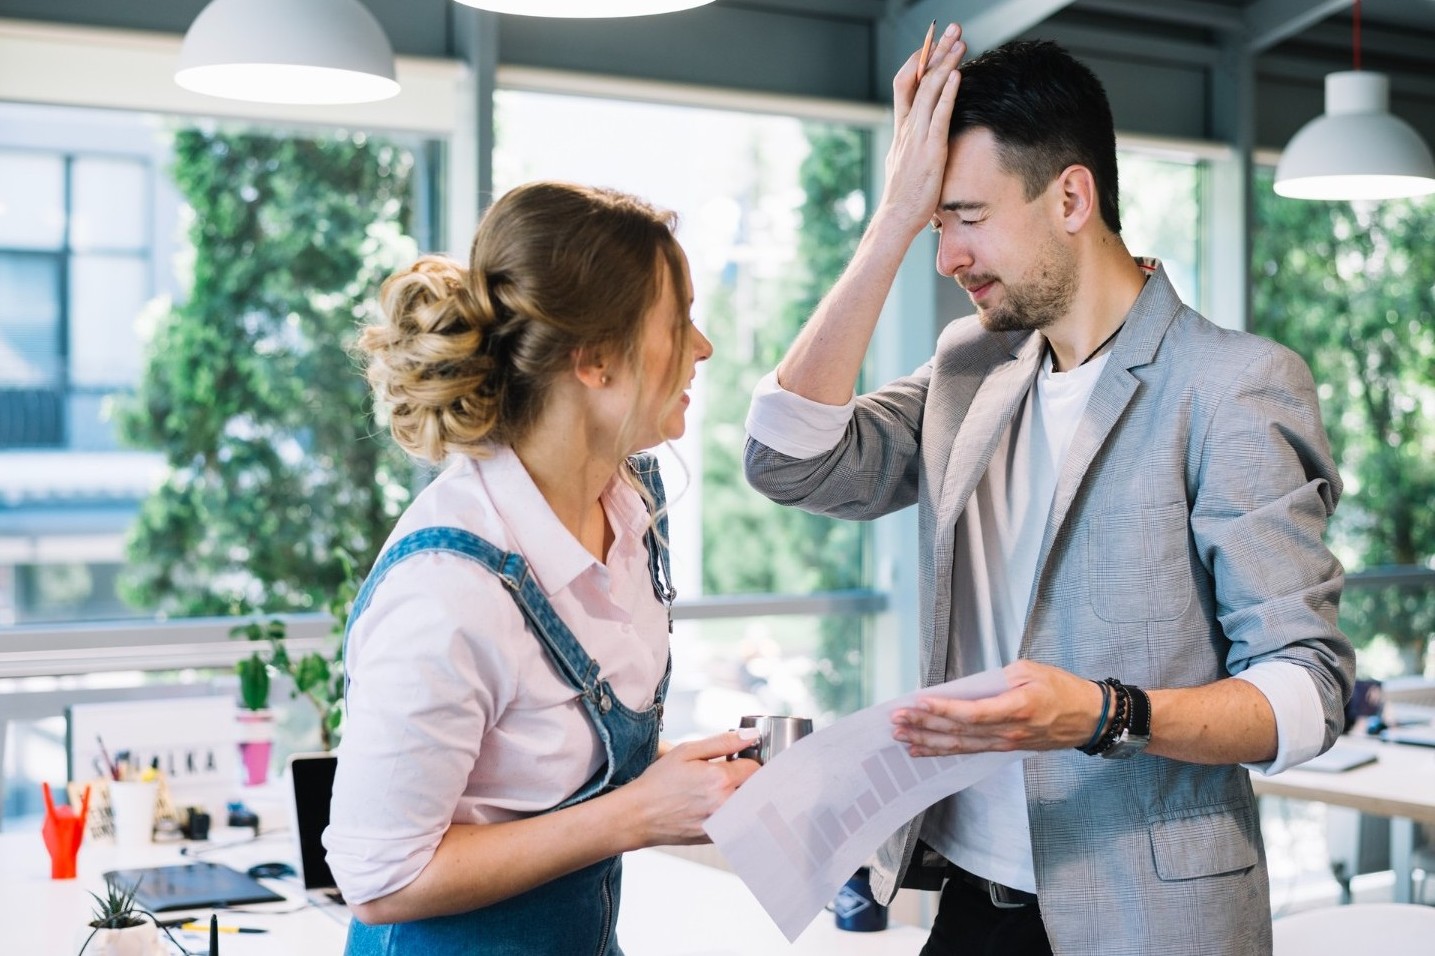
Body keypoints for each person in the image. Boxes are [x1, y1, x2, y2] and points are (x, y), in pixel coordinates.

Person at [743, 27, 1353, 956]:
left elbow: (1307, 690)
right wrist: (891, 219)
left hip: (1148, 916)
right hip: (970, 901)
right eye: (933, 221)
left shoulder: (1229, 384)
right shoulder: (968, 368)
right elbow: (788, 458)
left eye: (965, 216)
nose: (946, 255)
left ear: (1071, 196)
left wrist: (1103, 713)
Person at [325, 180, 760, 955]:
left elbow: (541, 769)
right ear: (593, 360)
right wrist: (637, 814)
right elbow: (380, 879)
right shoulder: (447, 593)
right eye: (678, 321)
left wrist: (687, 778)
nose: (702, 347)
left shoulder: (630, 503)